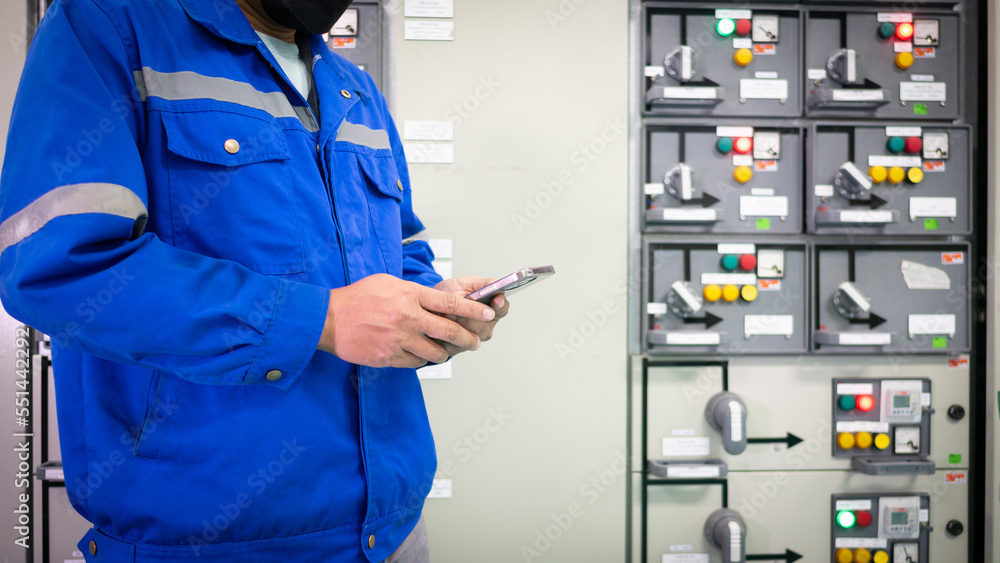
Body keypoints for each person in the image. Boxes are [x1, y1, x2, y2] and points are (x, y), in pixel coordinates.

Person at [0, 0, 507, 560]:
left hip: (392, 531)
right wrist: (322, 320)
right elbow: (61, 267)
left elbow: (401, 248)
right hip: (207, 543)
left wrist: (430, 305)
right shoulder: (109, 28)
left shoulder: (354, 88)